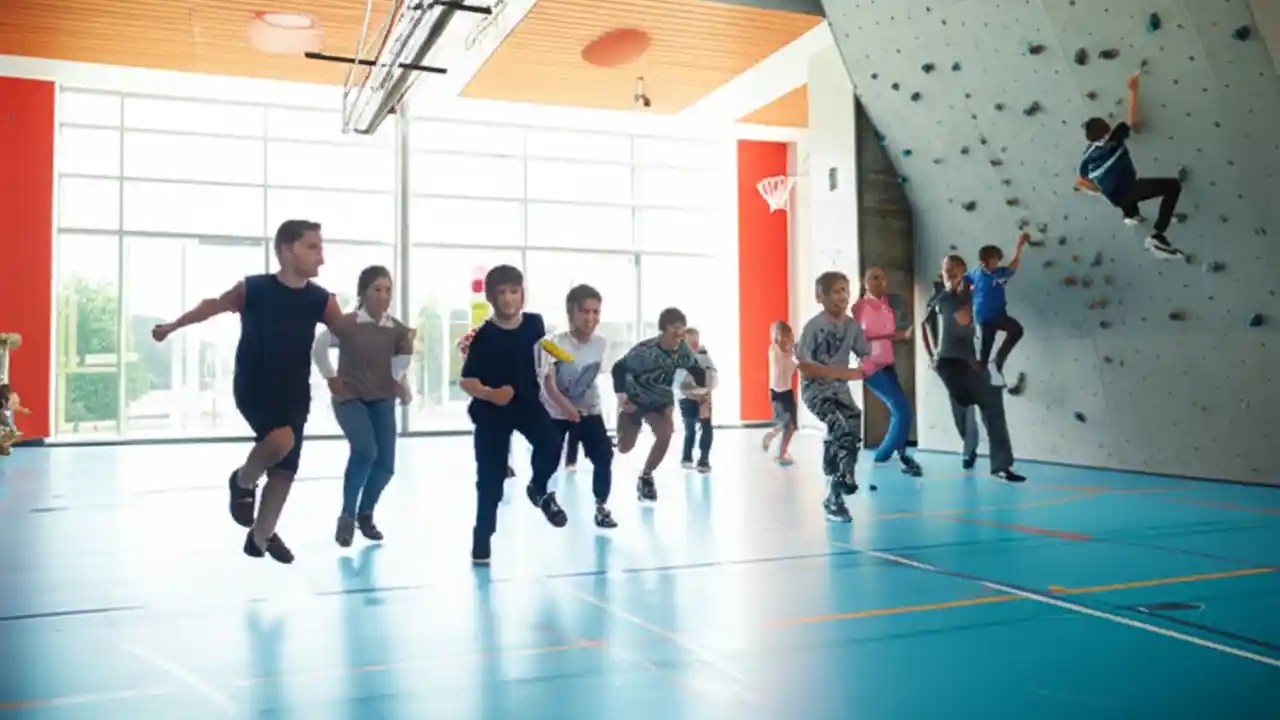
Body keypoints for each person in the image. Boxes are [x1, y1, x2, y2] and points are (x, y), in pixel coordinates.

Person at [152, 219, 345, 563]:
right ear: (288, 250)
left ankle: (260, 538)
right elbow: (212, 305)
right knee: (281, 441)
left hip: (294, 392)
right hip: (255, 385)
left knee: (285, 471)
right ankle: (242, 481)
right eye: (313, 247)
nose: (322, 257)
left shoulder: (322, 300)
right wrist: (173, 325)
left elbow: (350, 336)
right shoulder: (254, 289)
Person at [459, 265, 566, 565]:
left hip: (527, 405)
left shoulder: (535, 324)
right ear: (491, 297)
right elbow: (466, 380)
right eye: (502, 293)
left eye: (514, 291)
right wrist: (491, 393)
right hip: (491, 412)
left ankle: (538, 488)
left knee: (551, 443)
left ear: (523, 294)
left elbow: (542, 356)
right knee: (490, 480)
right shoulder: (484, 336)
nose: (508, 298)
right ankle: (483, 535)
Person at [311, 265, 414, 547]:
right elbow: (319, 347)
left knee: (386, 465)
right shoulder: (347, 324)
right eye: (377, 289)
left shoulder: (397, 330)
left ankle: (365, 514)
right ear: (363, 293)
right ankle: (347, 516)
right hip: (350, 398)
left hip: (382, 399)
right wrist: (331, 378)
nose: (383, 296)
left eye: (388, 290)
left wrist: (401, 386)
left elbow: (399, 366)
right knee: (365, 450)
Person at [921, 255, 1026, 483]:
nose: (950, 273)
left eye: (955, 269)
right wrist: (932, 356)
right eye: (946, 269)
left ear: (964, 272)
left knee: (993, 407)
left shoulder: (970, 293)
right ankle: (969, 450)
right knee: (964, 416)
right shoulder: (944, 298)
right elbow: (961, 318)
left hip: (973, 362)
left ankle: (1001, 466)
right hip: (951, 364)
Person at [1076, 73, 1185, 260]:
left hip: (1115, 198)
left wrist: (1099, 190)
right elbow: (1134, 123)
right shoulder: (1115, 139)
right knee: (1173, 186)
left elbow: (1080, 181)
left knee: (1126, 200)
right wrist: (1134, 91)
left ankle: (1131, 216)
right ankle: (1158, 236)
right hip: (1130, 189)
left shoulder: (1088, 155)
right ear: (1107, 130)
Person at [796, 271, 872, 523]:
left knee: (853, 424)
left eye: (845, 291)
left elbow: (865, 352)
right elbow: (804, 365)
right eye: (837, 291)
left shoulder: (851, 326)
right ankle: (837, 481)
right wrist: (838, 372)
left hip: (841, 392)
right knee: (841, 428)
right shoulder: (813, 327)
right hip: (817, 391)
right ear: (821, 296)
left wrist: (869, 361)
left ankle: (839, 485)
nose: (843, 296)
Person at [540, 284, 617, 528]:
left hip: (589, 410)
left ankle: (601, 506)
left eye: (596, 312)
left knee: (603, 457)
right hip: (558, 412)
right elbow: (549, 383)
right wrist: (567, 408)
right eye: (585, 311)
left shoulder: (600, 343)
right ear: (571, 313)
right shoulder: (554, 343)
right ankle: (544, 496)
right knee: (549, 460)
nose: (591, 317)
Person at [611, 308, 706, 502]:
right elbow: (618, 368)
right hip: (635, 400)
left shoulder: (681, 349)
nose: (679, 335)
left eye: (682, 330)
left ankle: (646, 477)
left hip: (660, 401)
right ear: (663, 330)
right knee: (624, 447)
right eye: (674, 330)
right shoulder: (644, 352)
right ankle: (620, 434)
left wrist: (701, 387)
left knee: (665, 433)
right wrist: (622, 397)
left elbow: (696, 368)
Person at [852, 267, 922, 476]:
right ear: (865, 282)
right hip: (871, 367)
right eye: (874, 278)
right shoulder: (860, 307)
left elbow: (886, 332)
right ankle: (882, 456)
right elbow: (859, 338)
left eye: (883, 278)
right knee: (902, 411)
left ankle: (901, 453)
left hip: (887, 363)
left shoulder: (887, 305)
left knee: (901, 410)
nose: (880, 282)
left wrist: (901, 335)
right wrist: (896, 336)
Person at [967, 233, 1027, 387]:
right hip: (990, 316)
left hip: (987, 317)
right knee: (1015, 331)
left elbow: (1013, 266)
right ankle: (994, 366)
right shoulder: (984, 274)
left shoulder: (987, 273)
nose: (997, 262)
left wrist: (1019, 247)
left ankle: (986, 376)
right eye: (995, 260)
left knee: (986, 352)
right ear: (985, 260)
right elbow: (962, 282)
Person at [676, 327, 717, 474]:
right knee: (690, 428)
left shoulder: (703, 356)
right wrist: (693, 393)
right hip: (686, 397)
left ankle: (704, 460)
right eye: (690, 341)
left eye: (696, 340)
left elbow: (712, 375)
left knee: (706, 427)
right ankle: (687, 457)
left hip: (703, 397)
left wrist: (707, 392)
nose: (694, 344)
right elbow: (680, 384)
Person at [760, 321, 798, 465]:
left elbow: (789, 370)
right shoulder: (774, 350)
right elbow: (780, 351)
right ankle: (771, 435)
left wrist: (793, 350)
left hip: (787, 392)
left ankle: (782, 453)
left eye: (785, 335)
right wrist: (790, 346)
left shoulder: (790, 354)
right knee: (784, 422)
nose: (782, 339)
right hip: (777, 393)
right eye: (778, 336)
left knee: (791, 426)